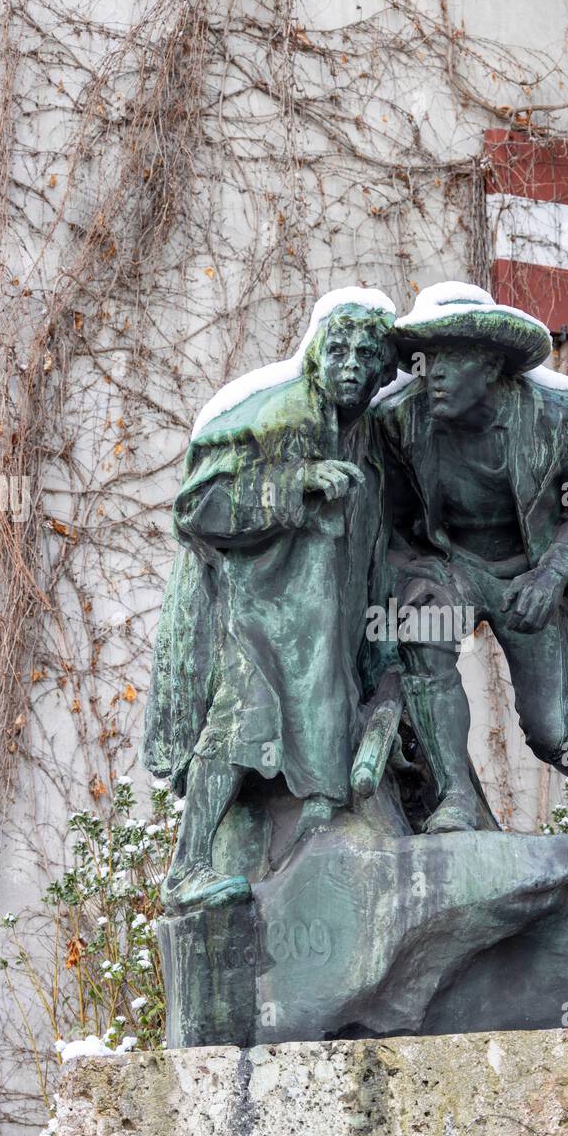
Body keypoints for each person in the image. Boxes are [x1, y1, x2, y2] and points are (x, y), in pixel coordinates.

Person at [142, 289, 399, 910]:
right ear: (316, 355)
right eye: (338, 351)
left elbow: (373, 549)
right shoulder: (278, 414)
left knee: (319, 743)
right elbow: (196, 509)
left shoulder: (364, 437)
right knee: (241, 725)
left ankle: (307, 864)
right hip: (250, 616)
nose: (352, 365)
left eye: (368, 356)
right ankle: (187, 869)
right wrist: (299, 481)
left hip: (315, 634)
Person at [375, 282, 568, 852]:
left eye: (450, 359)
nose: (432, 373)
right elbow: (386, 518)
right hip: (452, 567)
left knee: (550, 729)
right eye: (427, 359)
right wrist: (408, 574)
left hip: (530, 572)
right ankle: (454, 796)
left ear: (489, 366)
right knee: (424, 627)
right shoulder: (399, 421)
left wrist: (554, 573)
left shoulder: (556, 418)